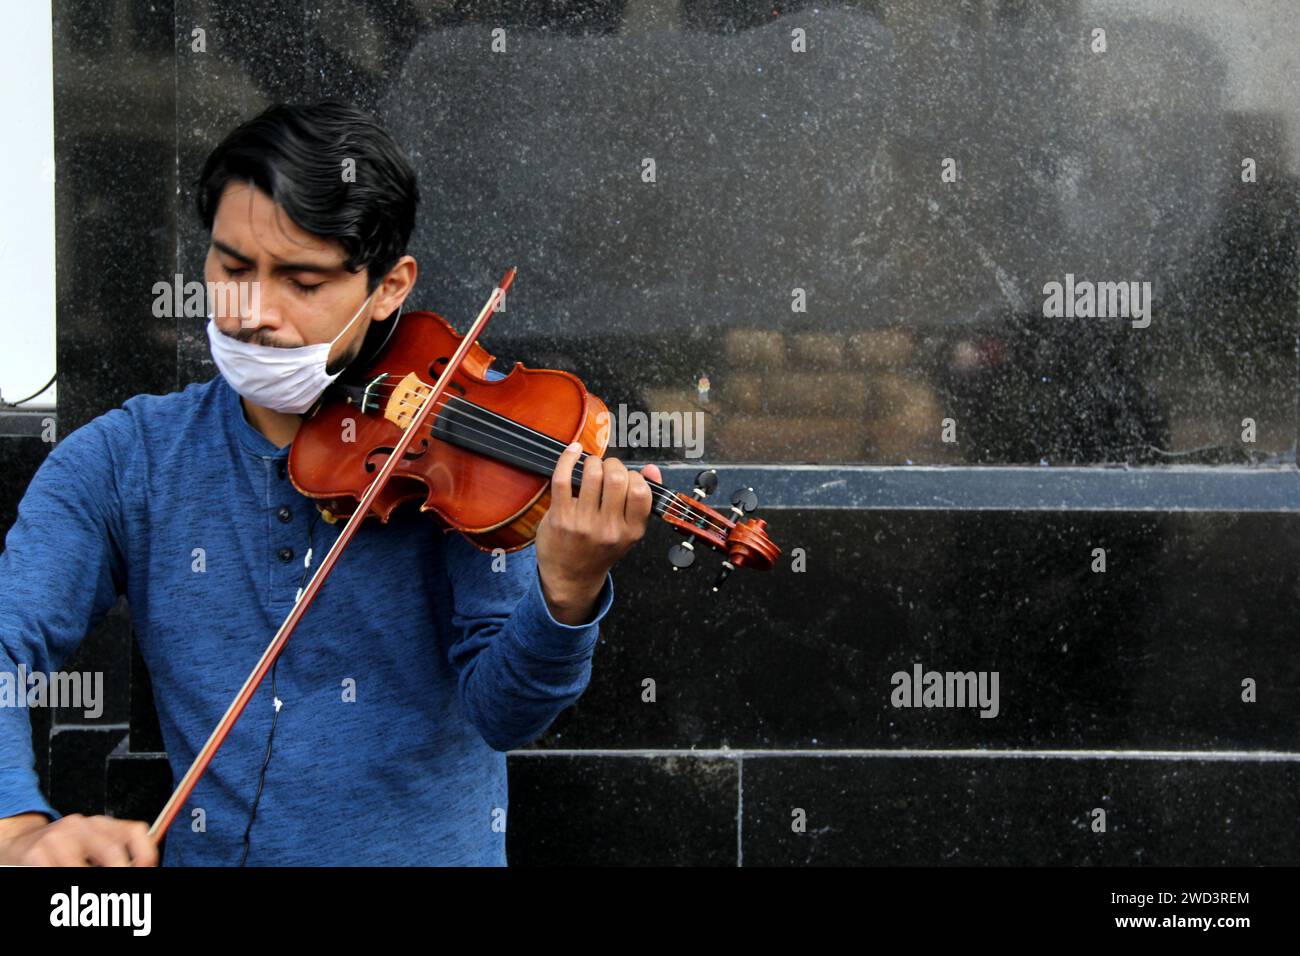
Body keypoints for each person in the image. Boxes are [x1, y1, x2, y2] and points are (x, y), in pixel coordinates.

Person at [0, 101, 659, 866]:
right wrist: (17, 828)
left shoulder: (455, 467)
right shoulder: (124, 460)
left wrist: (567, 594)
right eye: (233, 268)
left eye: (303, 281)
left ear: (388, 286)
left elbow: (504, 714)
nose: (255, 315)